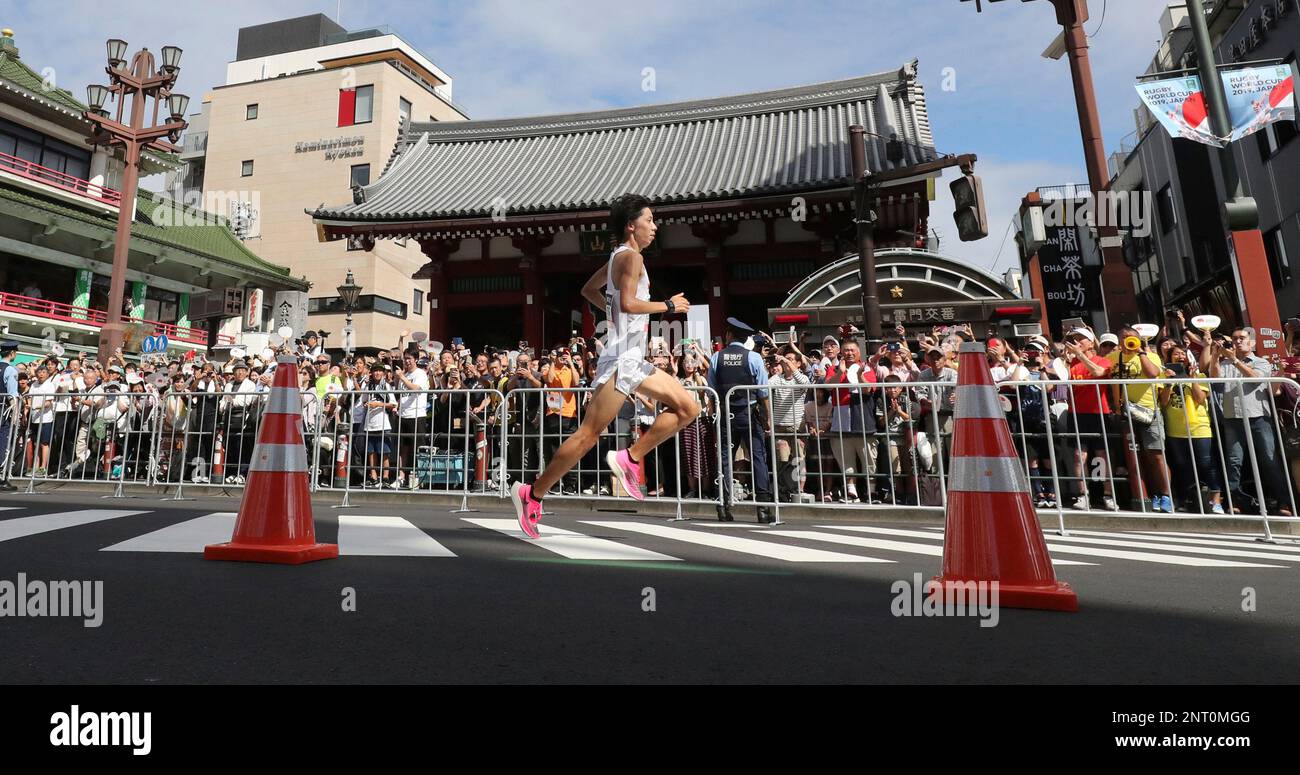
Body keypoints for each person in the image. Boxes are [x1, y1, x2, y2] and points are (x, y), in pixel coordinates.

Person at [511, 192, 699, 538]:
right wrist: (668, 307)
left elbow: (589, 289)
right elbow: (627, 303)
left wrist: (612, 318)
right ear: (631, 226)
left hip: (629, 357)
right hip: (623, 360)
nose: (655, 227)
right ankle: (532, 494)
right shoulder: (632, 259)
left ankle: (629, 457)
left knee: (689, 407)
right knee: (586, 436)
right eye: (649, 220)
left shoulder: (617, 257)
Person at [1201, 326, 1291, 515]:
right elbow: (1215, 379)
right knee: (1234, 462)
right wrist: (1216, 356)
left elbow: (1256, 378)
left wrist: (1234, 360)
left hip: (1258, 417)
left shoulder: (1261, 362)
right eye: (1234, 338)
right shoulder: (1225, 363)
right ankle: (1236, 502)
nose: (1237, 341)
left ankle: (1284, 501)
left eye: (1242, 338)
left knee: (1269, 460)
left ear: (1252, 342)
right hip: (1233, 418)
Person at [709, 317, 774, 521]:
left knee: (725, 458)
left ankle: (724, 505)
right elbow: (763, 391)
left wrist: (714, 414)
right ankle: (763, 508)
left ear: (729, 335)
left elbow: (710, 390)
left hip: (726, 415)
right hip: (749, 413)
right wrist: (768, 418)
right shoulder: (753, 358)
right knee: (758, 458)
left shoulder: (717, 357)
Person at [1112, 326, 1173, 513]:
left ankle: (1166, 495)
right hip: (1125, 413)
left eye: (1131, 338)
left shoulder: (1150, 356)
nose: (1127, 341)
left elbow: (1154, 374)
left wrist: (1141, 353)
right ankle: (1149, 494)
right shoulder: (1113, 358)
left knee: (1156, 455)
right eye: (1123, 338)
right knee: (1135, 458)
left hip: (1149, 412)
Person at [1160, 345, 1224, 514]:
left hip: (1199, 428)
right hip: (1176, 429)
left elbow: (1200, 397)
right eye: (1175, 354)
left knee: (1206, 463)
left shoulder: (1200, 376)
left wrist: (1193, 377)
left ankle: (1216, 500)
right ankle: (1190, 499)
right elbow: (1164, 402)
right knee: (1182, 465)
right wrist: (1168, 384)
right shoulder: (1164, 377)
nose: (1180, 357)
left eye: (1183, 354)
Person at [1062, 327, 1119, 511]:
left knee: (1100, 456)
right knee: (1080, 455)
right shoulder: (1070, 363)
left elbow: (1098, 372)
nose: (1077, 342)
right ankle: (1083, 494)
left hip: (1098, 413)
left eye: (1081, 339)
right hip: (1076, 413)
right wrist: (1065, 359)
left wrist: (1081, 356)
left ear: (1089, 342)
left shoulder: (1102, 360)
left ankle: (1105, 493)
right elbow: (1061, 384)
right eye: (1074, 339)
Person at [0, 341, 18, 491]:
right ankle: (1, 478)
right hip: (2, 409)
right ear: (12, 353)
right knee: (3, 442)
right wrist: (15, 413)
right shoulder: (10, 370)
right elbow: (12, 394)